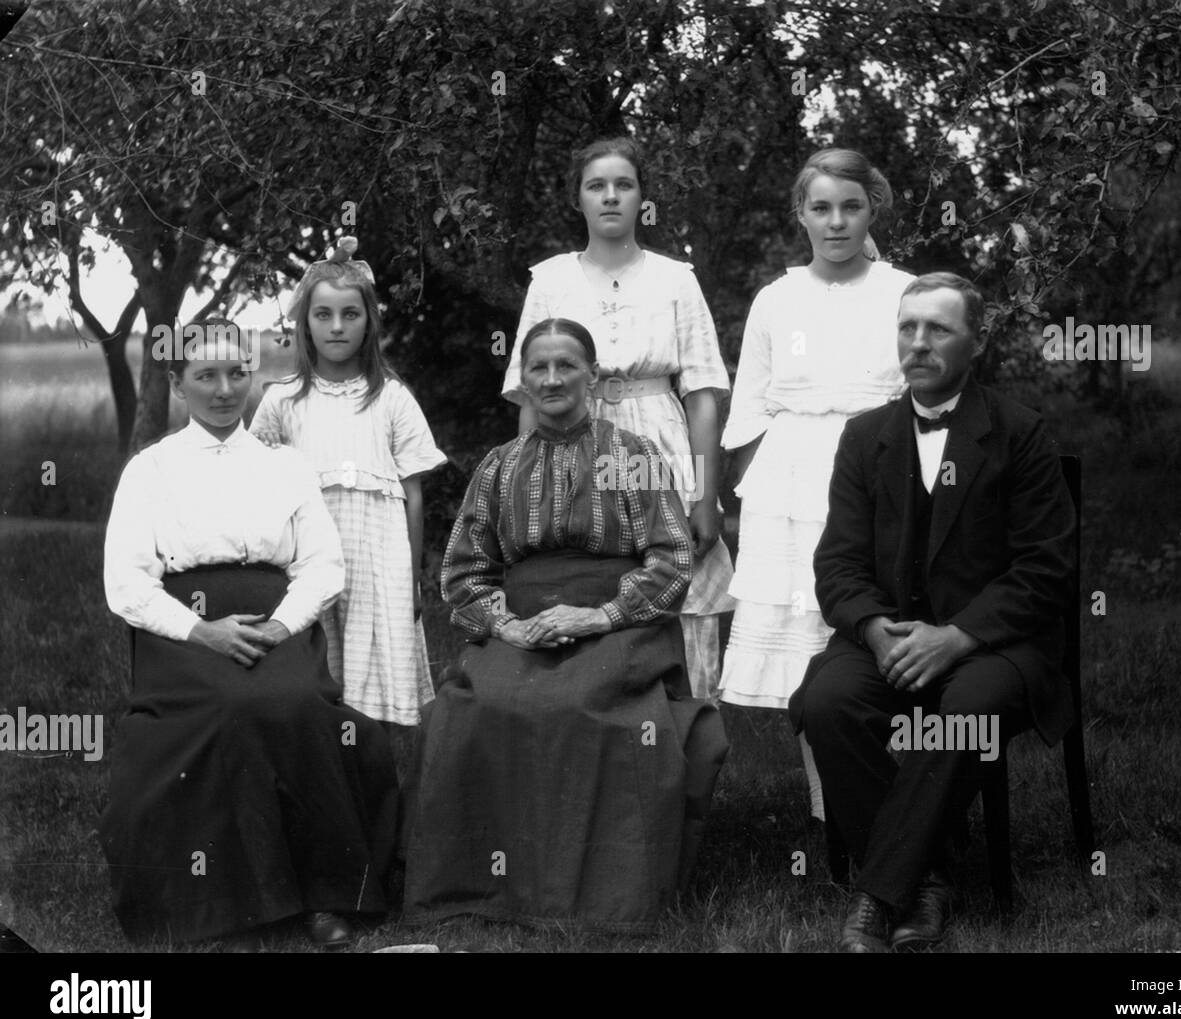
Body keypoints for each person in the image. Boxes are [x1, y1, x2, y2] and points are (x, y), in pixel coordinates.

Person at [406, 318, 728, 931]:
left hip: (620, 624)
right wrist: (505, 626)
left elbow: (672, 558)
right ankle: (482, 890)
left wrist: (600, 614)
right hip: (524, 622)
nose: (552, 378)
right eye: (538, 368)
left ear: (594, 376)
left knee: (586, 703)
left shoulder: (633, 456)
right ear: (522, 381)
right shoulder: (499, 467)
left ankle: (605, 902)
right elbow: (465, 572)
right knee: (476, 707)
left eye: (566, 366)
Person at [790, 272, 1076, 952]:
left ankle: (879, 892)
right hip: (889, 635)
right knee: (827, 701)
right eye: (907, 328)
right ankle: (930, 877)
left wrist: (958, 635)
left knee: (967, 709)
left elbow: (1047, 568)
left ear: (975, 342)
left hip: (995, 642)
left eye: (938, 330)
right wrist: (869, 628)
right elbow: (837, 563)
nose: (917, 343)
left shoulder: (1021, 434)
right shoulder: (865, 437)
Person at [100, 321, 399, 950]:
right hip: (182, 633)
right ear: (178, 385)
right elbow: (126, 582)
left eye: (238, 373)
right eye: (205, 376)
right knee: (228, 709)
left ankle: (327, 895)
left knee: (294, 708)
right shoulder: (149, 470)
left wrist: (282, 626)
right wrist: (202, 631)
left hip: (273, 619)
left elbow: (323, 564)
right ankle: (221, 906)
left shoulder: (284, 466)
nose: (224, 389)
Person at [719, 148, 915, 823]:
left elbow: (930, 398)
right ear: (801, 213)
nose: (837, 222)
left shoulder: (903, 293)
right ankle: (830, 812)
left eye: (851, 206)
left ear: (872, 209)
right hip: (795, 484)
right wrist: (751, 500)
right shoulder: (777, 299)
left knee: (881, 634)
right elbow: (749, 410)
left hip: (886, 474)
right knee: (808, 648)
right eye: (821, 208)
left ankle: (904, 805)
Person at [501, 136, 733, 702]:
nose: (611, 197)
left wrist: (704, 495)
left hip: (655, 434)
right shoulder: (551, 279)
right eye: (596, 186)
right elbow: (532, 392)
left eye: (623, 185)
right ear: (577, 199)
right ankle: (594, 733)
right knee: (585, 573)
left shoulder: (675, 278)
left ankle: (685, 736)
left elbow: (702, 390)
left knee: (672, 575)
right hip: (570, 439)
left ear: (640, 198)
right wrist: (525, 484)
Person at [251, 237, 446, 727]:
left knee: (369, 678)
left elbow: (414, 496)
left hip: (377, 558)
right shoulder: (282, 402)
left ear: (369, 321)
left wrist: (414, 579)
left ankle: (372, 779)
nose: (337, 327)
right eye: (323, 315)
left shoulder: (393, 400)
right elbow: (260, 491)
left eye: (350, 314)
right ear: (305, 323)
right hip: (307, 557)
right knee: (314, 673)